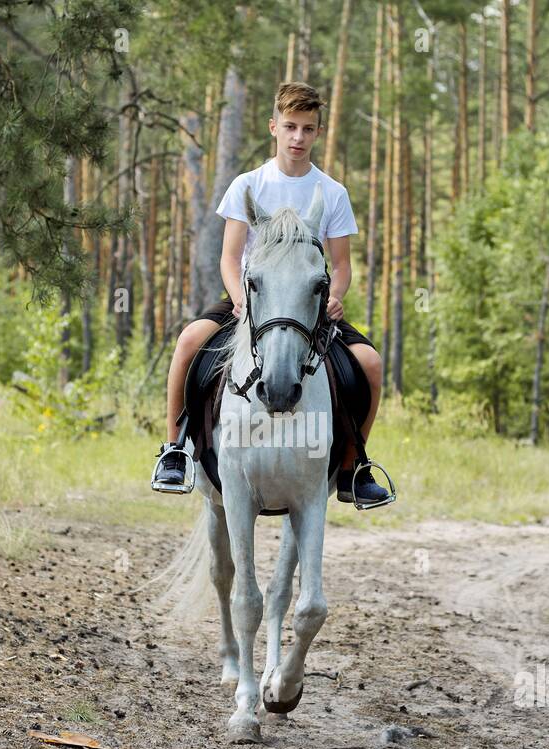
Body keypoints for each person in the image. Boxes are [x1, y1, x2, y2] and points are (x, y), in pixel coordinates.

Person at [152, 81, 392, 506]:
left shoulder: (332, 193)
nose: (298, 137)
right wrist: (239, 298)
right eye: (291, 127)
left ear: (318, 132)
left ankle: (354, 466)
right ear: (273, 128)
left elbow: (340, 265)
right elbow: (230, 258)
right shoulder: (248, 185)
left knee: (370, 363)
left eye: (308, 128)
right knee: (188, 341)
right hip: (252, 298)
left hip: (309, 305)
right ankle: (175, 450)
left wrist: (335, 295)